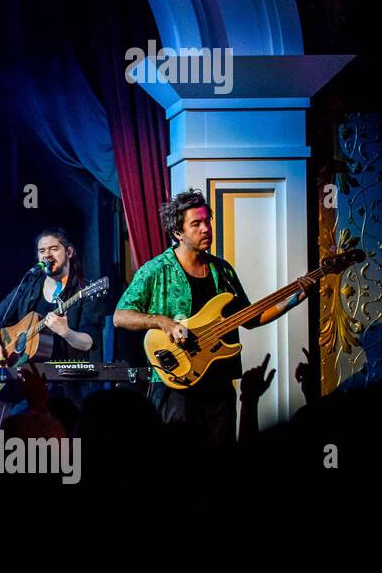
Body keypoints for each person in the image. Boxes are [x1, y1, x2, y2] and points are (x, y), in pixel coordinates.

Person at [113, 189, 307, 445]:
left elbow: (250, 318)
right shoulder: (156, 269)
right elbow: (120, 316)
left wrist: (295, 298)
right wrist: (163, 321)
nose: (206, 228)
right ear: (177, 233)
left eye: (207, 221)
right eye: (196, 223)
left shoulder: (222, 270)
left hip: (218, 383)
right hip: (176, 384)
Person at [0, 228, 104, 404]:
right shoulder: (29, 287)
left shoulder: (84, 291)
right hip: (29, 386)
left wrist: (66, 332)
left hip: (70, 388)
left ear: (69, 252)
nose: (47, 255)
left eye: (53, 249)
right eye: (42, 251)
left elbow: (88, 343)